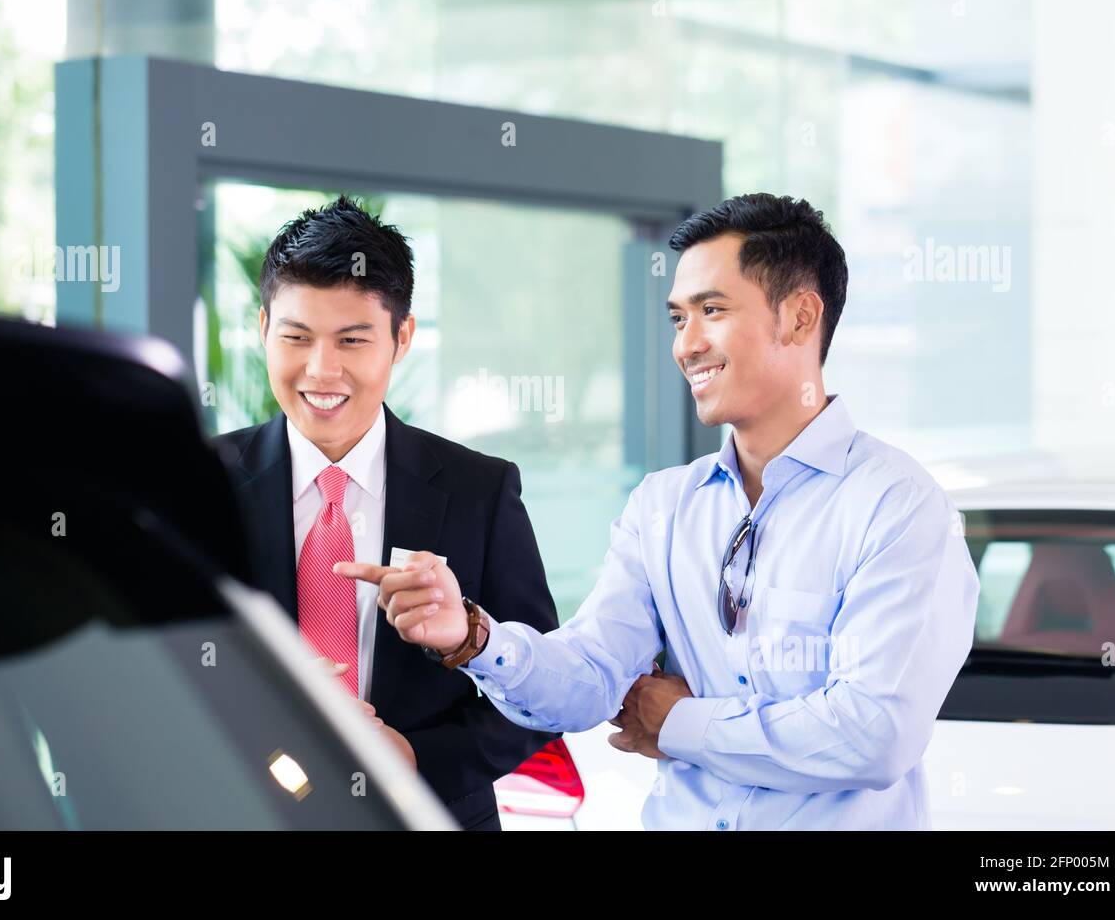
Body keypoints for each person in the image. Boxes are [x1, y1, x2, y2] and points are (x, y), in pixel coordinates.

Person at [338, 193, 979, 830]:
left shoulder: (896, 506)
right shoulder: (664, 506)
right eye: (678, 318)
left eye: (712, 310)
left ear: (800, 317)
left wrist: (677, 722)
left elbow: (874, 734)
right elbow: (590, 677)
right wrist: (473, 636)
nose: (686, 344)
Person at [216, 196, 559, 831]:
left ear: (402, 338)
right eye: (296, 337)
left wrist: (410, 755)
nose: (322, 370)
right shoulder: (197, 485)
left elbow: (541, 692)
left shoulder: (479, 492)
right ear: (264, 327)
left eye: (352, 340)